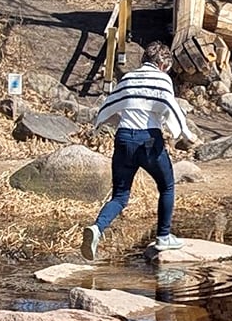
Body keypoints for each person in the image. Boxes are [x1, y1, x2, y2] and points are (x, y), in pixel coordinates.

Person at [81, 40, 197, 261]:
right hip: (148, 140)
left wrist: (109, 125)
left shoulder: (128, 77)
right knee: (167, 185)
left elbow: (111, 106)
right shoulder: (162, 78)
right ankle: (163, 236)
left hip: (123, 138)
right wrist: (185, 134)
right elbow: (169, 108)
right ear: (163, 64)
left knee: (121, 195)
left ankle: (97, 227)